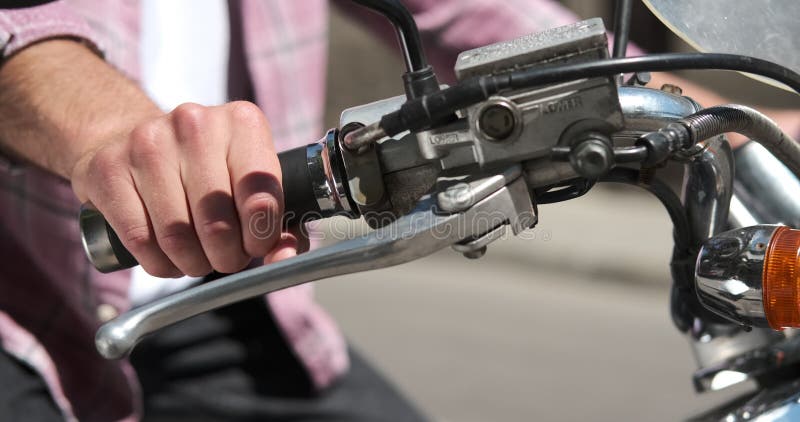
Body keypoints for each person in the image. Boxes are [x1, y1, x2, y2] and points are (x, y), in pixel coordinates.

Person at [0, 1, 797, 421]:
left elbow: (482, 15)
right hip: (24, 308)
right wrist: (106, 130)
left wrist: (722, 118)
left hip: (229, 307)